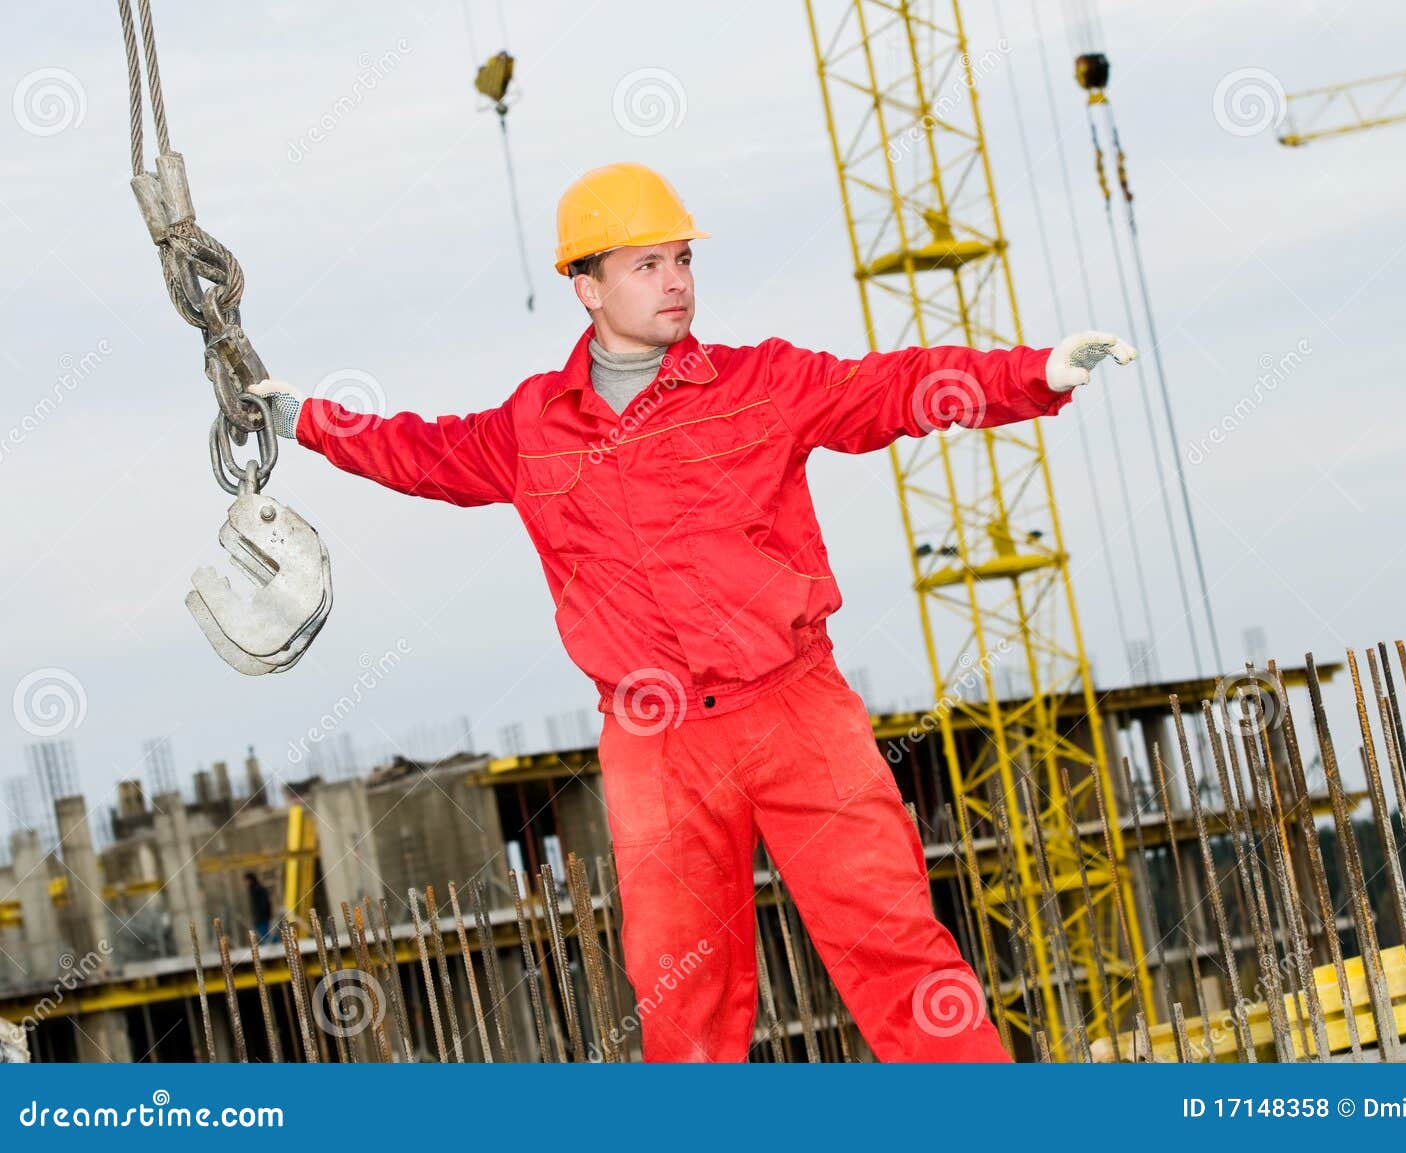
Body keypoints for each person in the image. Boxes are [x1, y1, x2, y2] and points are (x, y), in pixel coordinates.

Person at [248, 162, 1135, 1062]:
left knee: (896, 949)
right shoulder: (533, 426)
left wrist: (1036, 373)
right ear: (585, 286)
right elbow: (422, 451)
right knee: (681, 997)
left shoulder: (763, 382)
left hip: (794, 708)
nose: (675, 280)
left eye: (680, 259)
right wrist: (307, 423)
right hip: (655, 737)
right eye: (646, 264)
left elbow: (895, 388)